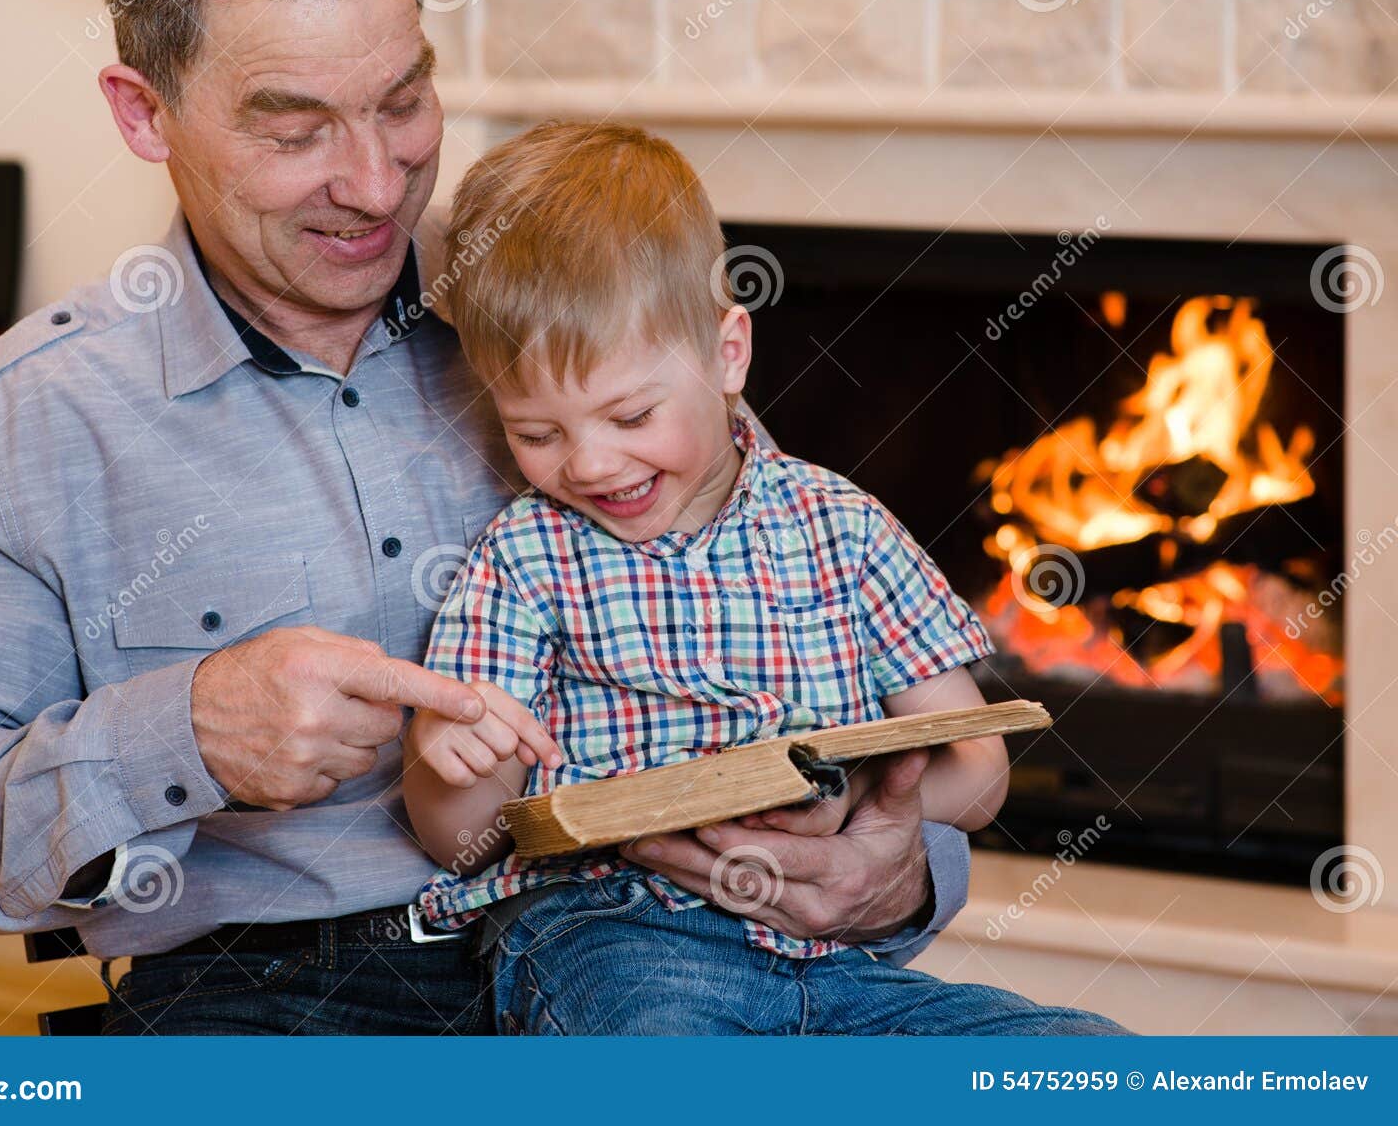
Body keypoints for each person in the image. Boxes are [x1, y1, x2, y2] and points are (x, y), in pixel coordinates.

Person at [0, 0, 972, 1036]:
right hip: (275, 1002)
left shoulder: (564, 299)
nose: (376, 184)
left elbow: (819, 642)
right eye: (295, 130)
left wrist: (898, 871)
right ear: (144, 113)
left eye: (403, 101)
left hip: (675, 947)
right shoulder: (27, 425)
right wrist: (182, 736)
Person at [403, 121, 1127, 1036]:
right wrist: (452, 759)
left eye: (631, 415)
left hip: (836, 962)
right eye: (536, 433)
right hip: (619, 939)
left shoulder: (842, 526)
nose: (588, 463)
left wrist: (852, 809)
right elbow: (460, 840)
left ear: (728, 354)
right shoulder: (524, 556)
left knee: (1085, 1054)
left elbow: (979, 771)